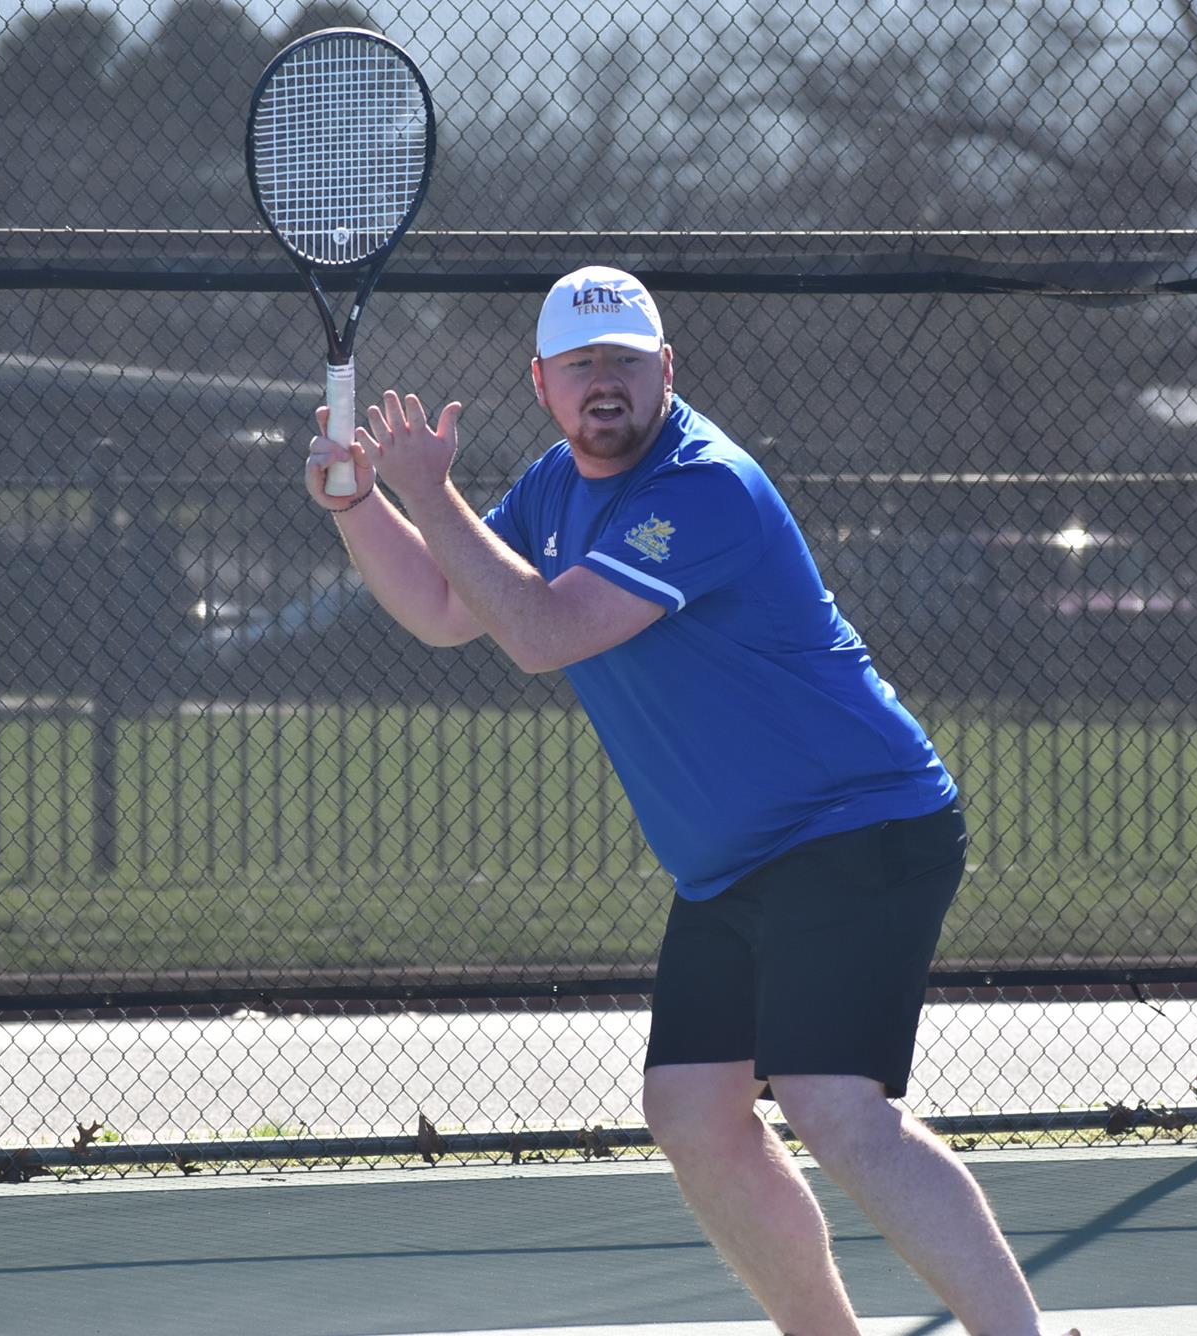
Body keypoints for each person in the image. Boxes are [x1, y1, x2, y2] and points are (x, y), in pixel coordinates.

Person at [305, 266, 1074, 1336]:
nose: (602, 382)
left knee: (834, 1107)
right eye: (580, 365)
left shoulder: (699, 484)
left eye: (623, 359)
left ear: (665, 369)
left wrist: (426, 491)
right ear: (542, 384)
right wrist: (359, 506)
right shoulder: (548, 489)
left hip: (857, 825)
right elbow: (446, 606)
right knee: (690, 1112)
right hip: (736, 863)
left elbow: (539, 634)